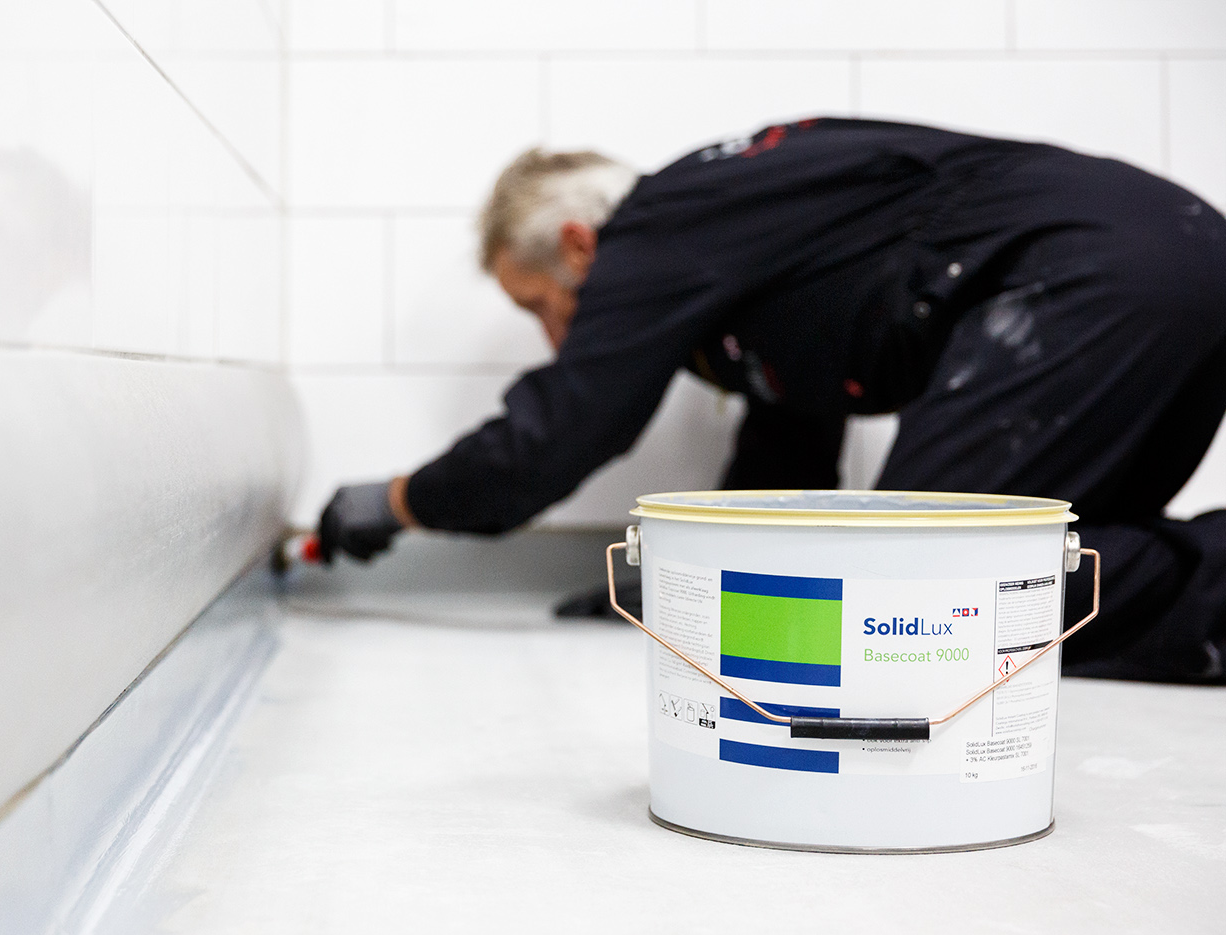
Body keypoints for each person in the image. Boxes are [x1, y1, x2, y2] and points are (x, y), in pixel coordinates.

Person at [316, 118, 1226, 684]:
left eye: (542, 308)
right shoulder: (735, 224)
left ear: (580, 245)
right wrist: (696, 590)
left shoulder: (656, 228)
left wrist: (397, 502)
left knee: (925, 596)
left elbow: (561, 431)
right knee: (1044, 574)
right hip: (1171, 261)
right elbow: (790, 444)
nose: (558, 339)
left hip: (1088, 283)